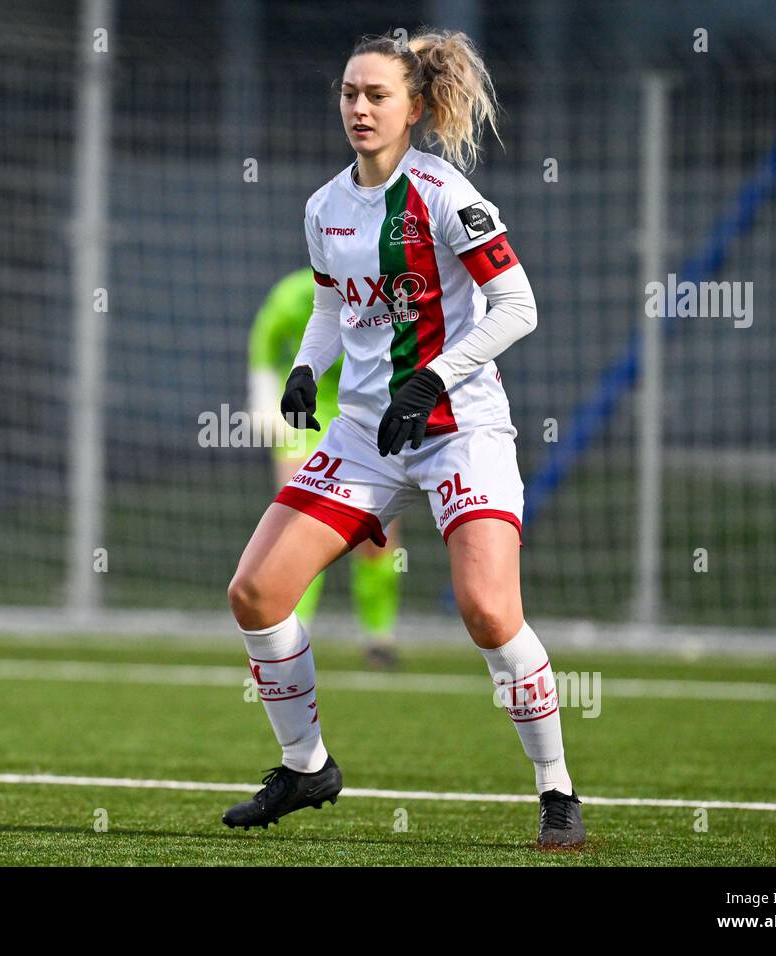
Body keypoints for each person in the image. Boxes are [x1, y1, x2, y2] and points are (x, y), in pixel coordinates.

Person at [223, 28, 585, 848]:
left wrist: (431, 380)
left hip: (461, 426)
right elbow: (327, 308)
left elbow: (519, 307)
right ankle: (307, 765)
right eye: (349, 93)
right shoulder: (324, 207)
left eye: (376, 95)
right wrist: (307, 372)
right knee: (255, 592)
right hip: (364, 429)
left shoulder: (445, 194)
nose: (358, 107)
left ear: (414, 108)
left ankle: (557, 792)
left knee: (490, 613)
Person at [247, 268, 404, 670]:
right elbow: (264, 341)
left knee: (378, 532)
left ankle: (378, 637)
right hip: (306, 414)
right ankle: (290, 634)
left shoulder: (389, 291)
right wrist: (264, 397)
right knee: (298, 521)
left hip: (367, 413)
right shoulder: (294, 294)